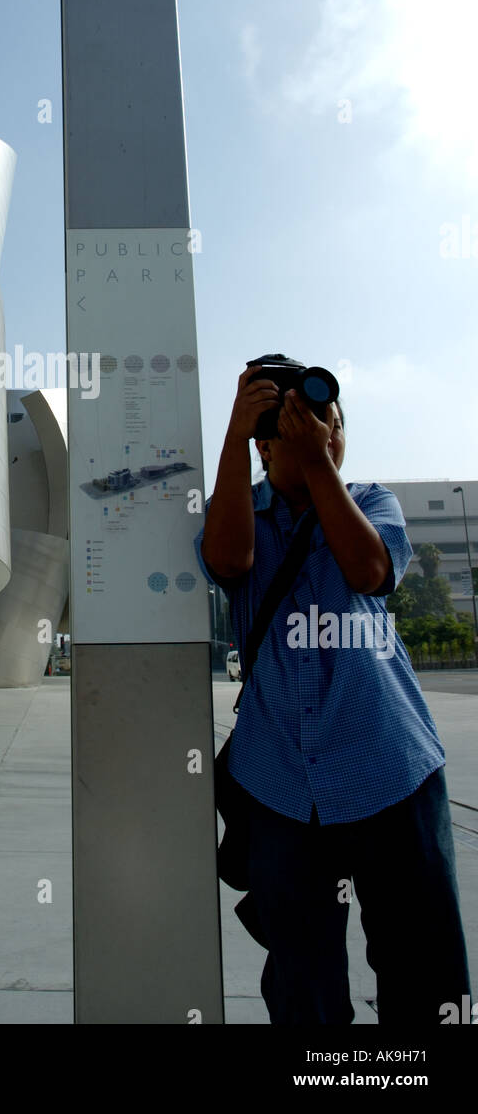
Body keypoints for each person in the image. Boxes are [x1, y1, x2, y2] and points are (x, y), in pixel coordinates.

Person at [194, 358, 472, 1026]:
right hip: (283, 785)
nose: (325, 434)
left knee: (424, 971)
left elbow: (370, 569)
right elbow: (228, 561)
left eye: (333, 424)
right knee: (303, 981)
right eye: (302, 427)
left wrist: (317, 465)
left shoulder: (371, 501)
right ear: (263, 445)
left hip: (391, 770)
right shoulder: (244, 510)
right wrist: (233, 437)